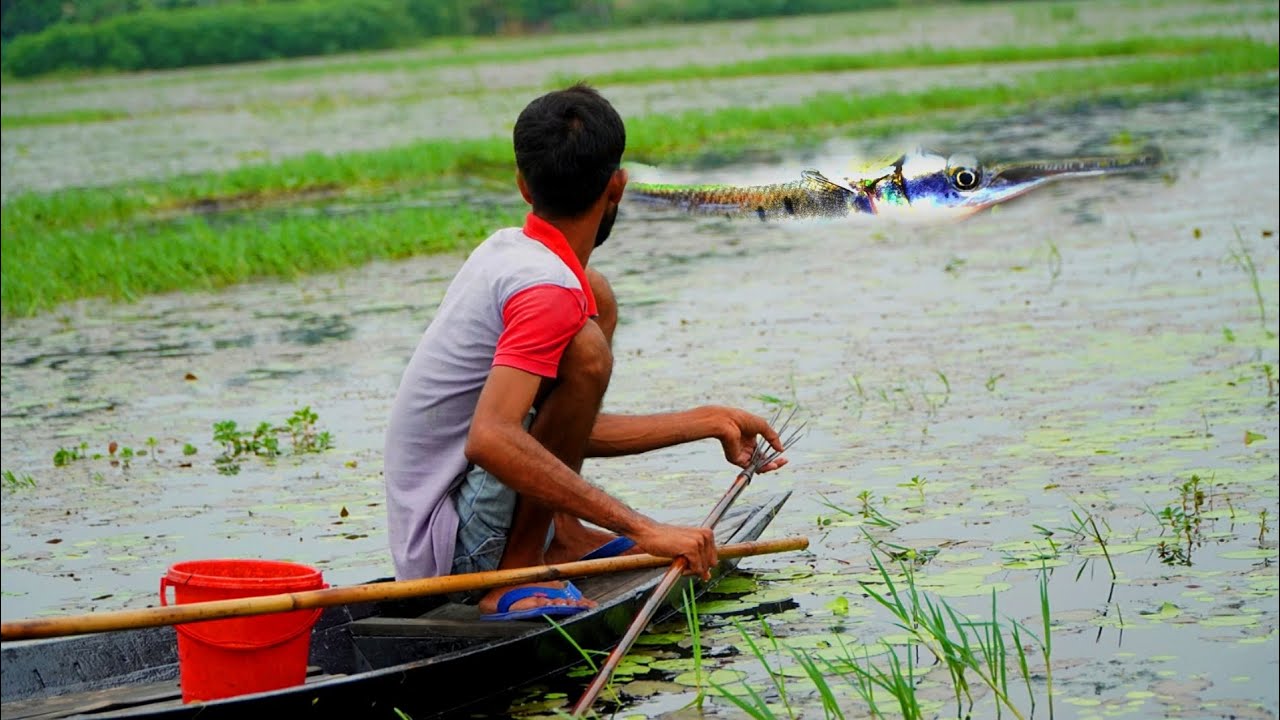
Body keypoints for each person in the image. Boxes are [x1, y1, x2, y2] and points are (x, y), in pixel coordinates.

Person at [384, 83, 788, 621]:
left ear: (523, 186)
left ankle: (563, 536)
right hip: (456, 551)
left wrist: (709, 420)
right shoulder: (544, 289)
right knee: (588, 350)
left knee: (595, 299)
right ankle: (518, 570)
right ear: (617, 186)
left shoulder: (513, 251)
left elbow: (556, 434)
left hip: (464, 511)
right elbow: (492, 439)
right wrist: (644, 529)